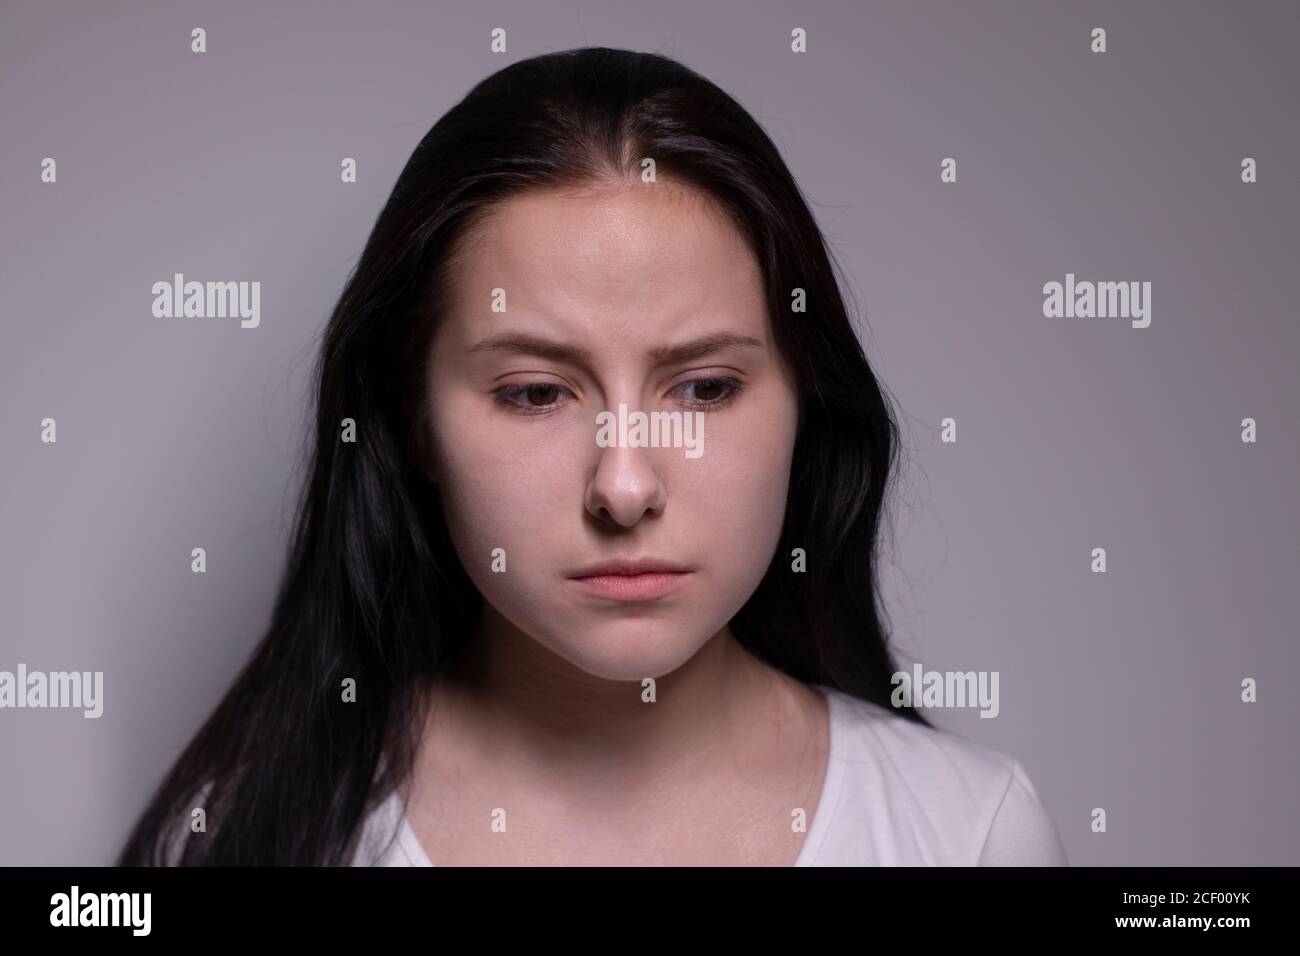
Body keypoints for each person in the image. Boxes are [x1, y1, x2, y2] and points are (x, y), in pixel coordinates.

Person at [118, 46, 1068, 867]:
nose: (624, 486)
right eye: (536, 393)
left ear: (805, 406)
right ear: (413, 425)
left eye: (703, 389)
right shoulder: (244, 837)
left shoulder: (968, 832)